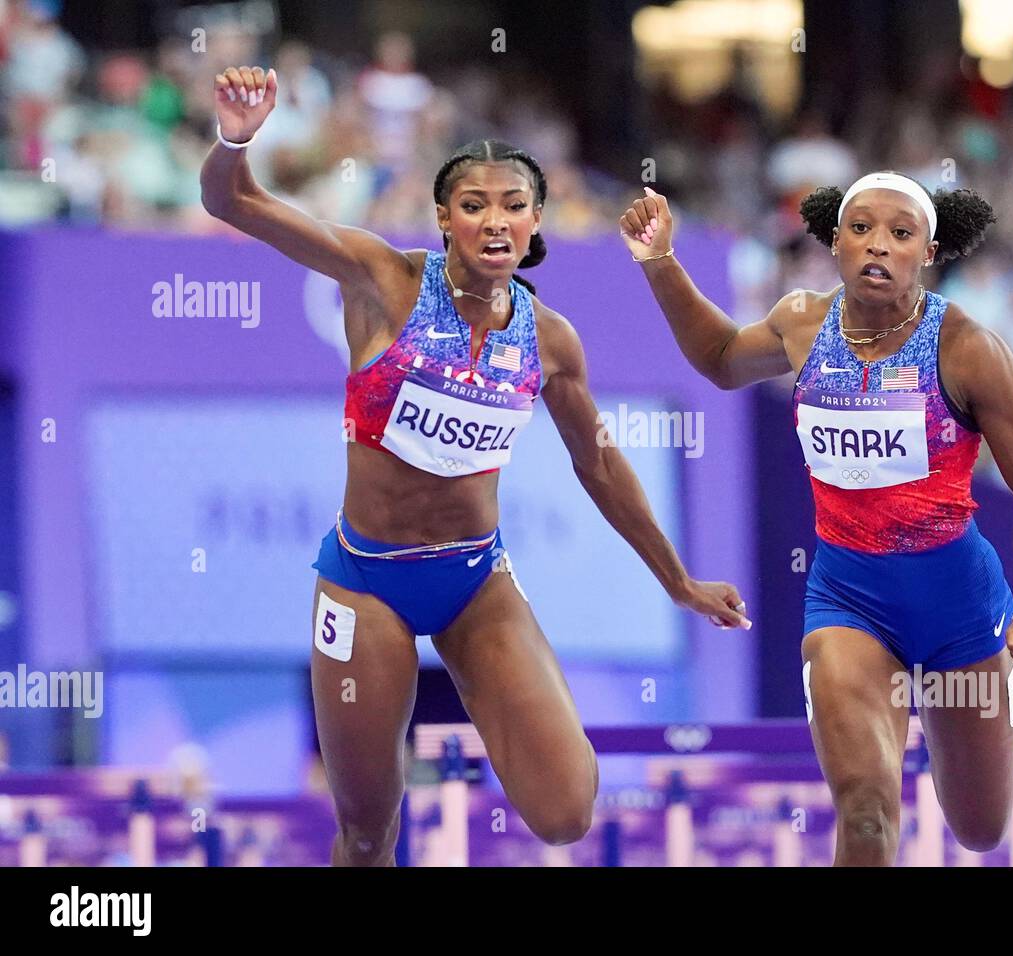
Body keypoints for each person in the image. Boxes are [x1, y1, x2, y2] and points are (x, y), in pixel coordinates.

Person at [201, 65, 750, 866]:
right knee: (366, 831)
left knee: (566, 809)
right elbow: (232, 201)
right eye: (474, 205)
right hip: (365, 581)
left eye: (513, 206)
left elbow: (598, 465)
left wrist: (677, 581)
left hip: (473, 581)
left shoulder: (551, 339)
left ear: (535, 223)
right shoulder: (382, 279)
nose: (495, 222)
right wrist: (235, 138)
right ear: (443, 220)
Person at [621, 172, 1013, 865]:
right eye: (860, 229)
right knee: (863, 812)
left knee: (980, 828)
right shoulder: (803, 322)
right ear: (834, 242)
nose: (877, 247)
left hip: (962, 610)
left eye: (900, 233)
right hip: (849, 599)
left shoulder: (968, 350)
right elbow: (718, 359)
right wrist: (660, 262)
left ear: (930, 251)